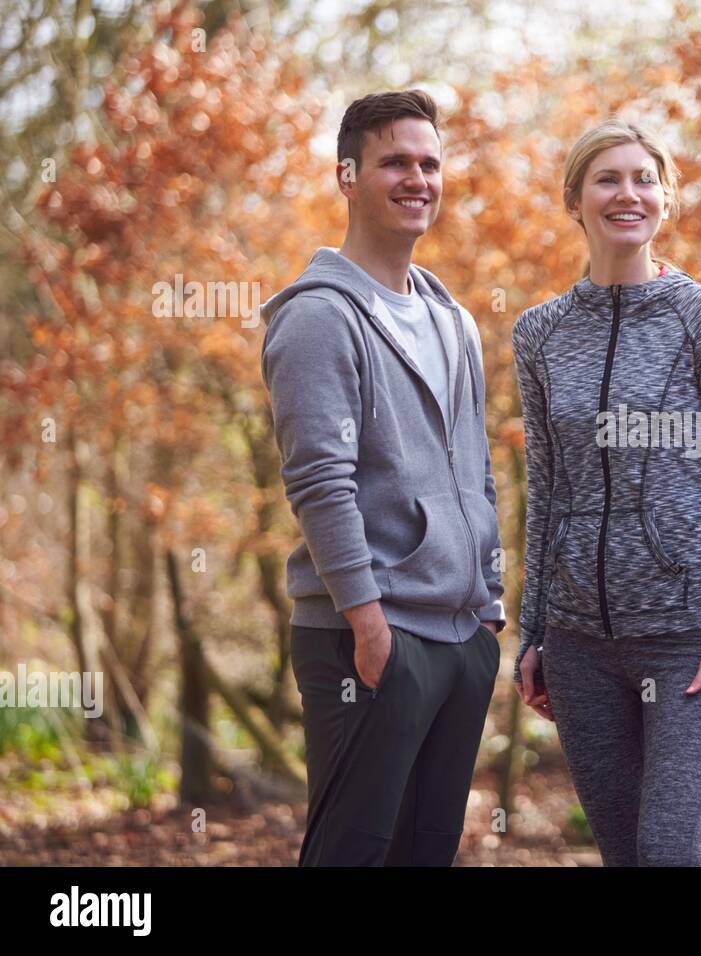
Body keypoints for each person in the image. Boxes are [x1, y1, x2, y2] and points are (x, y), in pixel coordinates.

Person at [511, 119, 701, 866]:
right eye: (608, 179)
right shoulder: (540, 333)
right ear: (575, 200)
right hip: (579, 648)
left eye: (644, 179)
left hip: (687, 642)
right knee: (624, 857)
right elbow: (547, 489)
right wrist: (534, 633)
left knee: (666, 853)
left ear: (665, 199)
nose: (629, 194)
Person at [260, 90, 505, 866]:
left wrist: (489, 608)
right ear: (347, 175)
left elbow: (480, 471)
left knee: (423, 855)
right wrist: (369, 624)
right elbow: (321, 482)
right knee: (350, 855)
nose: (417, 179)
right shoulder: (319, 317)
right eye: (395, 161)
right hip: (365, 640)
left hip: (461, 637)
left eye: (429, 163)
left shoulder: (454, 321)